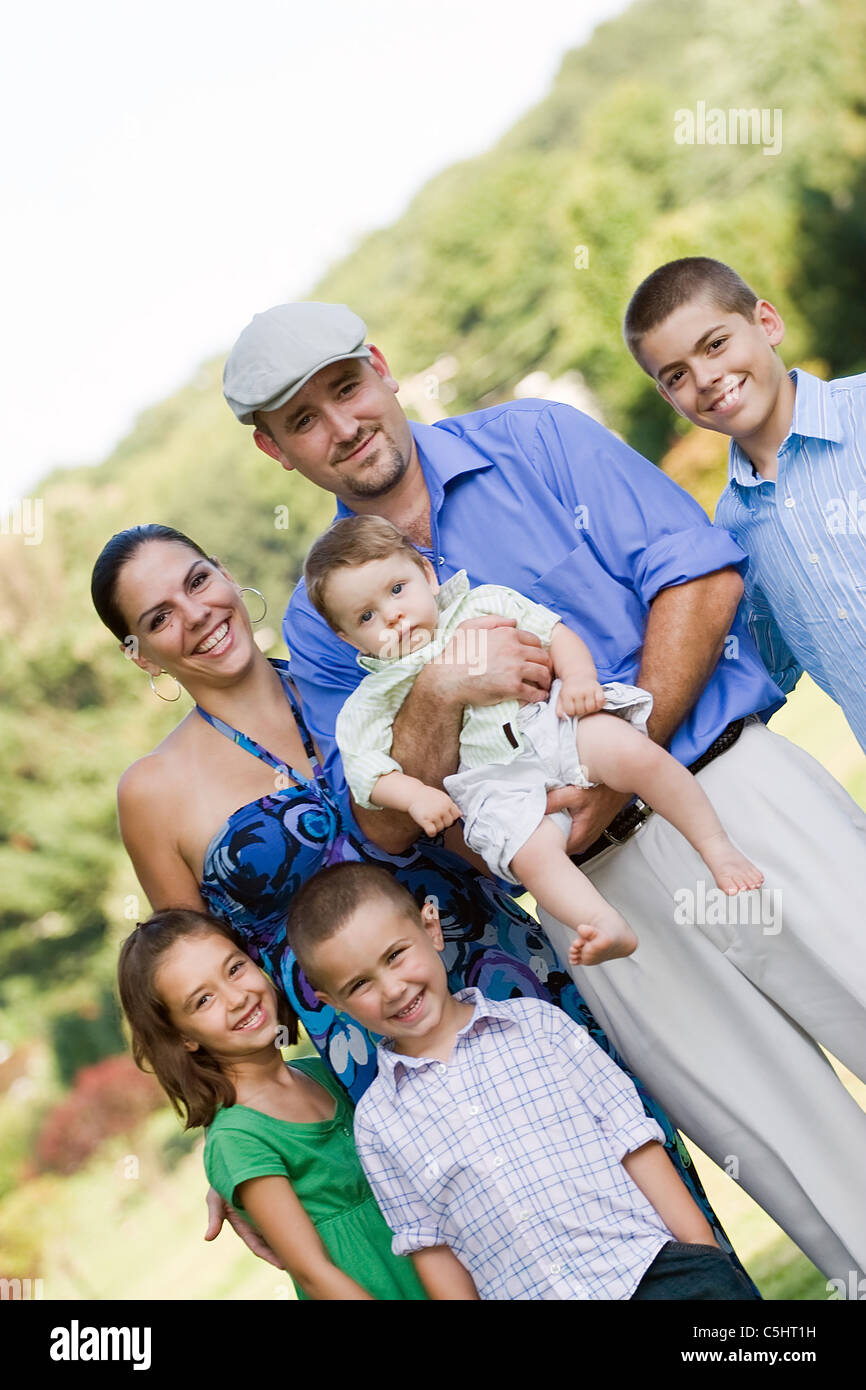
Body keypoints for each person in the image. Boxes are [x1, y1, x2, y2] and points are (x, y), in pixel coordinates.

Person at [222, 299, 866, 1282]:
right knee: (799, 1158)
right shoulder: (322, 617)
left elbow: (699, 581)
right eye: (304, 420)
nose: (342, 426)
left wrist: (611, 758)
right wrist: (441, 688)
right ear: (275, 451)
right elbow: (386, 822)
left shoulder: (535, 440)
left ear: (381, 367)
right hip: (590, 898)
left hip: (726, 791)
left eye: (346, 389)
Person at [90, 523, 736, 1269]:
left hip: (505, 975)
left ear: (226, 573)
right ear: (141, 655)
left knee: (637, 1179)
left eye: (198, 581)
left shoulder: (371, 668)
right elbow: (191, 984)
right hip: (374, 1046)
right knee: (509, 1249)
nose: (195, 613)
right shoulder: (153, 791)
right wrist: (240, 1148)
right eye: (159, 617)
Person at [287, 862, 760, 1301]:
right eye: (360, 985)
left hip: (648, 1274)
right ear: (335, 1003)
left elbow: (633, 1143)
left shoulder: (538, 1026)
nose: (392, 989)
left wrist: (704, 1259)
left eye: (395, 956)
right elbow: (432, 1248)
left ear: (430, 928)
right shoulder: (378, 1123)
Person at [305, 514, 763, 966]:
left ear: (427, 573)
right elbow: (368, 773)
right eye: (367, 616)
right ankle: (601, 922)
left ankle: (716, 847)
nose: (392, 616)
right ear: (349, 638)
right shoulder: (371, 700)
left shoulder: (483, 604)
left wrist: (579, 677)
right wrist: (415, 795)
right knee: (532, 855)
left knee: (631, 751)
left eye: (397, 589)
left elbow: (553, 633)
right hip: (493, 782)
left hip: (551, 722)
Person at [116, 905, 427, 1300]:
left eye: (234, 969)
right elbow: (314, 1274)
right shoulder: (237, 1138)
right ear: (183, 1038)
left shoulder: (322, 1072)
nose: (236, 997)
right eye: (203, 1000)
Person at [622, 254, 866, 755]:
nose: (706, 377)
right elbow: (758, 671)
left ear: (767, 323)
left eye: (715, 345)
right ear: (668, 398)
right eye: (677, 375)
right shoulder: (733, 531)